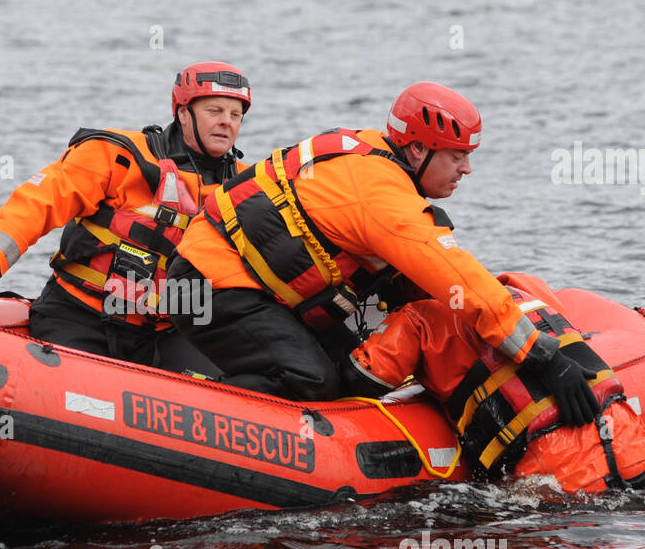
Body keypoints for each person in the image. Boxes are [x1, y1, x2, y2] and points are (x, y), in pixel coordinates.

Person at [167, 81, 598, 425]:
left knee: (351, 374)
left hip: (253, 284)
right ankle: (185, 407)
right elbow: (459, 279)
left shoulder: (371, 159)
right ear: (416, 149)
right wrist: (544, 357)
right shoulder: (383, 196)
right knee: (312, 381)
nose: (467, 169)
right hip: (209, 281)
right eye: (457, 157)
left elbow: (422, 286)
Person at [0, 63, 251, 370]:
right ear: (182, 113)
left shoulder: (245, 189)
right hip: (81, 316)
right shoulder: (117, 156)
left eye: (236, 115)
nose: (227, 122)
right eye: (214, 110)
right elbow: (37, 205)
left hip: (171, 329)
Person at [348, 277, 645, 493]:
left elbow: (363, 379)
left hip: (558, 469)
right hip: (632, 442)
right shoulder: (515, 291)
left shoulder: (418, 318)